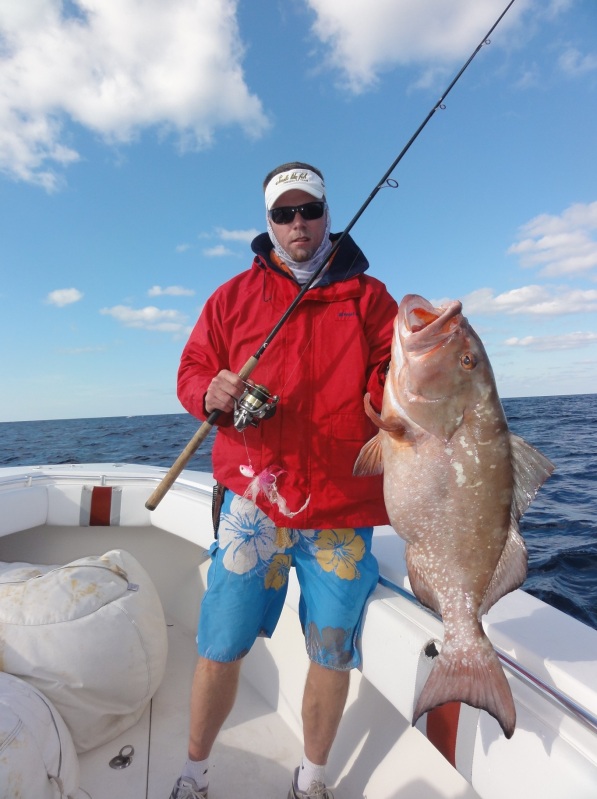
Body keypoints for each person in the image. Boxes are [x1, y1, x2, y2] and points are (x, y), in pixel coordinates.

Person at [170, 162, 397, 799]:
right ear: (267, 222)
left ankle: (313, 779)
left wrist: (387, 399)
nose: (299, 223)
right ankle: (193, 774)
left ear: (328, 212)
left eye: (310, 210)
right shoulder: (229, 300)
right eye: (284, 213)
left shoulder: (369, 300)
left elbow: (393, 376)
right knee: (220, 641)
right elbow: (192, 372)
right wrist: (207, 391)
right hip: (253, 501)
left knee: (331, 650)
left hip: (341, 506)